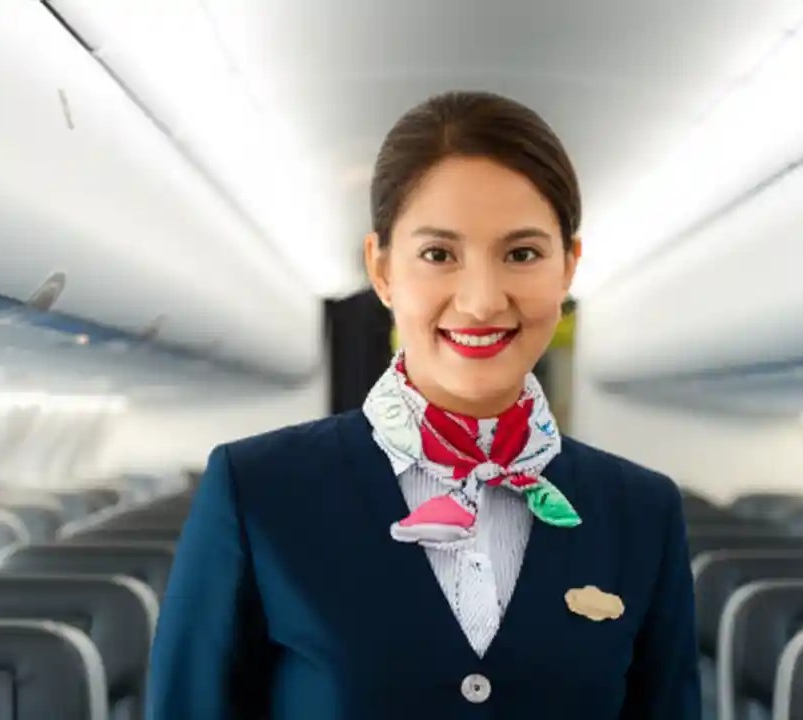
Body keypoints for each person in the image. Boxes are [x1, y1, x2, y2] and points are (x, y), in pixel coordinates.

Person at [146, 90, 701, 719]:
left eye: (522, 254)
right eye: (439, 255)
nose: (483, 301)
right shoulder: (258, 493)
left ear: (568, 267)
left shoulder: (642, 513)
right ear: (381, 269)